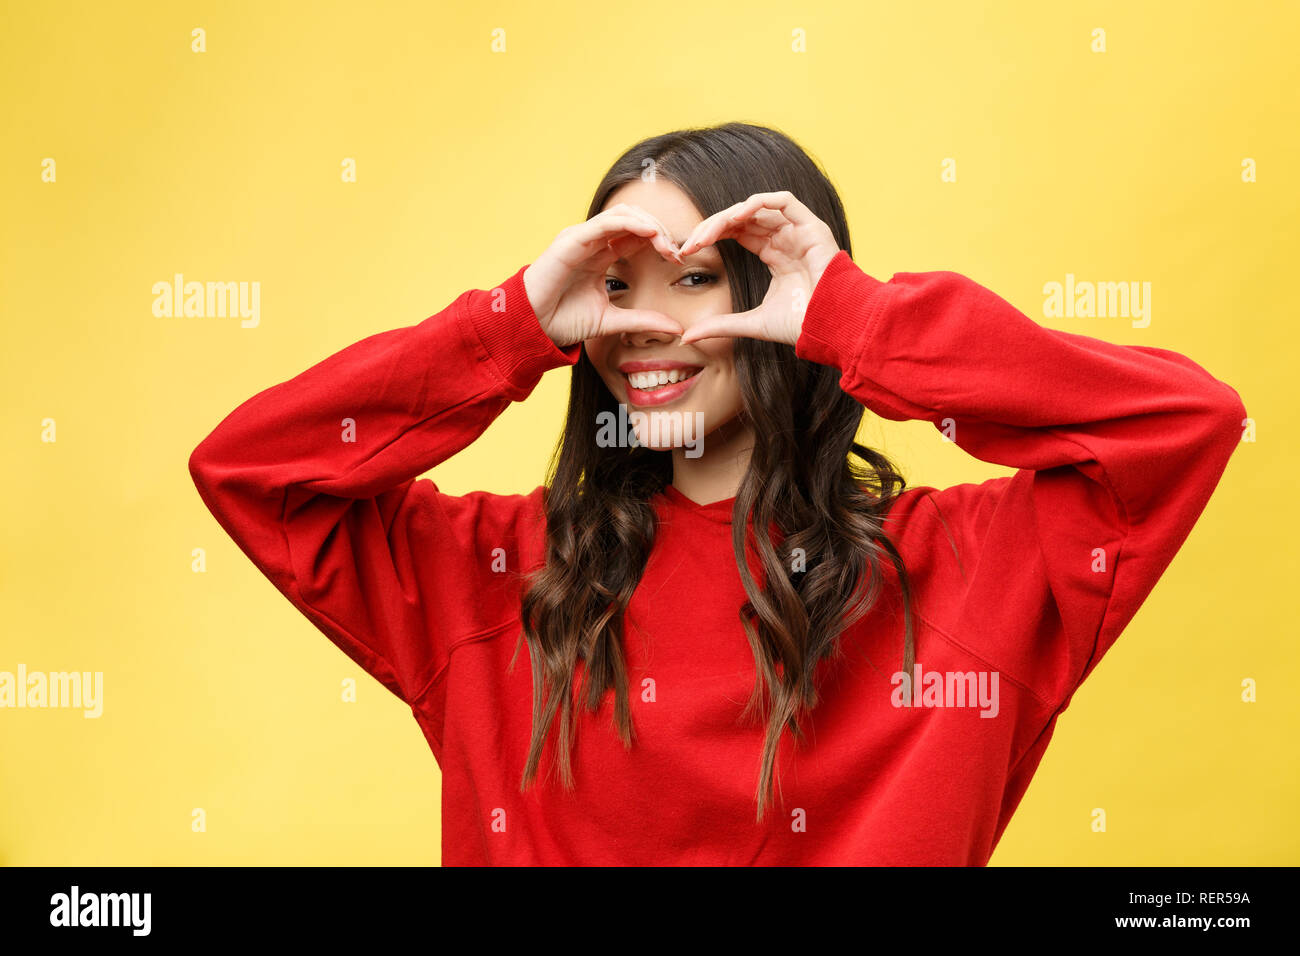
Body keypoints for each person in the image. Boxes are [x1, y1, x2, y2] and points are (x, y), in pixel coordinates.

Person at [188, 121, 1245, 865]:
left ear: (784, 294)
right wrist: (509, 323)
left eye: (693, 274)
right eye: (613, 280)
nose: (642, 323)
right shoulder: (502, 576)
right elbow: (254, 468)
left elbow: (1181, 424)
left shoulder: (967, 572)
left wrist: (858, 318)